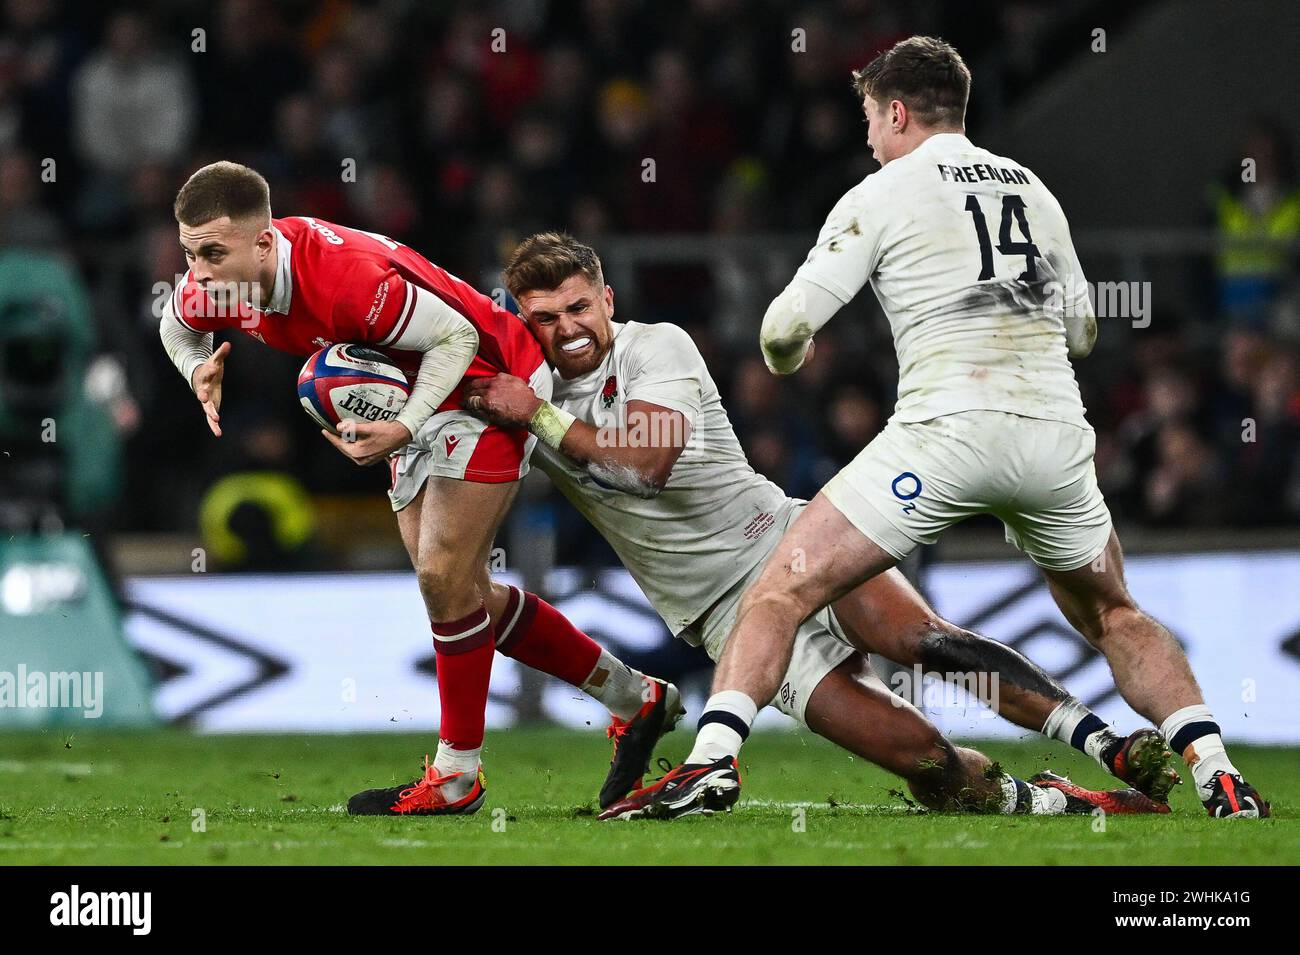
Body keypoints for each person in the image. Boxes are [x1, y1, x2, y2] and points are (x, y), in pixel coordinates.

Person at [621, 37, 1269, 820]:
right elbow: (1085, 332)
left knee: (781, 587)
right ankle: (1219, 775)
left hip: (946, 434)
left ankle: (710, 764)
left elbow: (783, 327)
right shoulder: (1033, 189)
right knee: (1115, 613)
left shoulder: (882, 192)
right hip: (1054, 437)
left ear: (896, 112)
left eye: (870, 117)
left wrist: (790, 359)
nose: (868, 137)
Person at [466, 231, 1173, 819]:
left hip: (787, 545)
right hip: (721, 617)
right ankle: (1063, 802)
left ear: (607, 300)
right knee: (924, 759)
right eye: (545, 318)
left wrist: (539, 418)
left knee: (923, 641)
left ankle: (1107, 744)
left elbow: (645, 464)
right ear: (523, 323)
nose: (567, 328)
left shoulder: (654, 348)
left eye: (578, 307)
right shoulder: (525, 391)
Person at [158, 162, 679, 816]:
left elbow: (457, 336)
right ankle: (637, 699)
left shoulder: (344, 280)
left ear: (263, 243)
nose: (198, 273)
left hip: (489, 377)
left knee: (441, 575)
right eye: (189, 254)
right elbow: (175, 322)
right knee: (464, 593)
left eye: (211, 254)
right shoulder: (221, 282)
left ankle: (457, 775)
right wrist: (195, 367)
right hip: (416, 392)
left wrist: (403, 427)